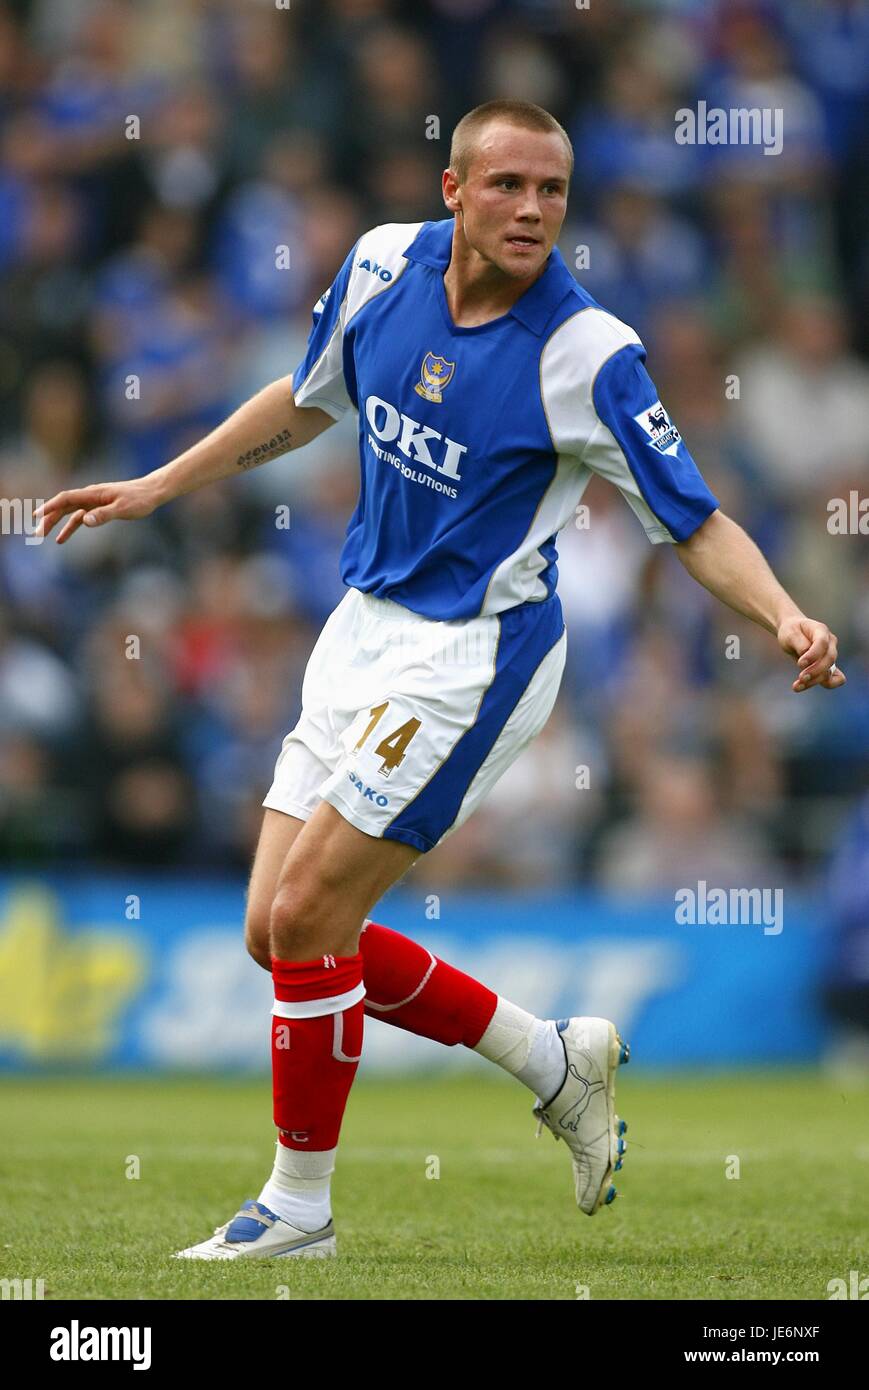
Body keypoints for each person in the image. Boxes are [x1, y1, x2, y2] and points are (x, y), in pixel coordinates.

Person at [36, 100, 846, 1260]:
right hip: (363, 624)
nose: (531, 210)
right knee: (279, 931)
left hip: (474, 655)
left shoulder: (589, 352)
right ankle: (548, 1057)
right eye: (508, 185)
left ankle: (298, 1210)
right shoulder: (378, 263)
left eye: (551, 191)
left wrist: (781, 612)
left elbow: (693, 516)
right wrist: (159, 485)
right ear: (454, 189)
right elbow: (307, 396)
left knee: (312, 910)